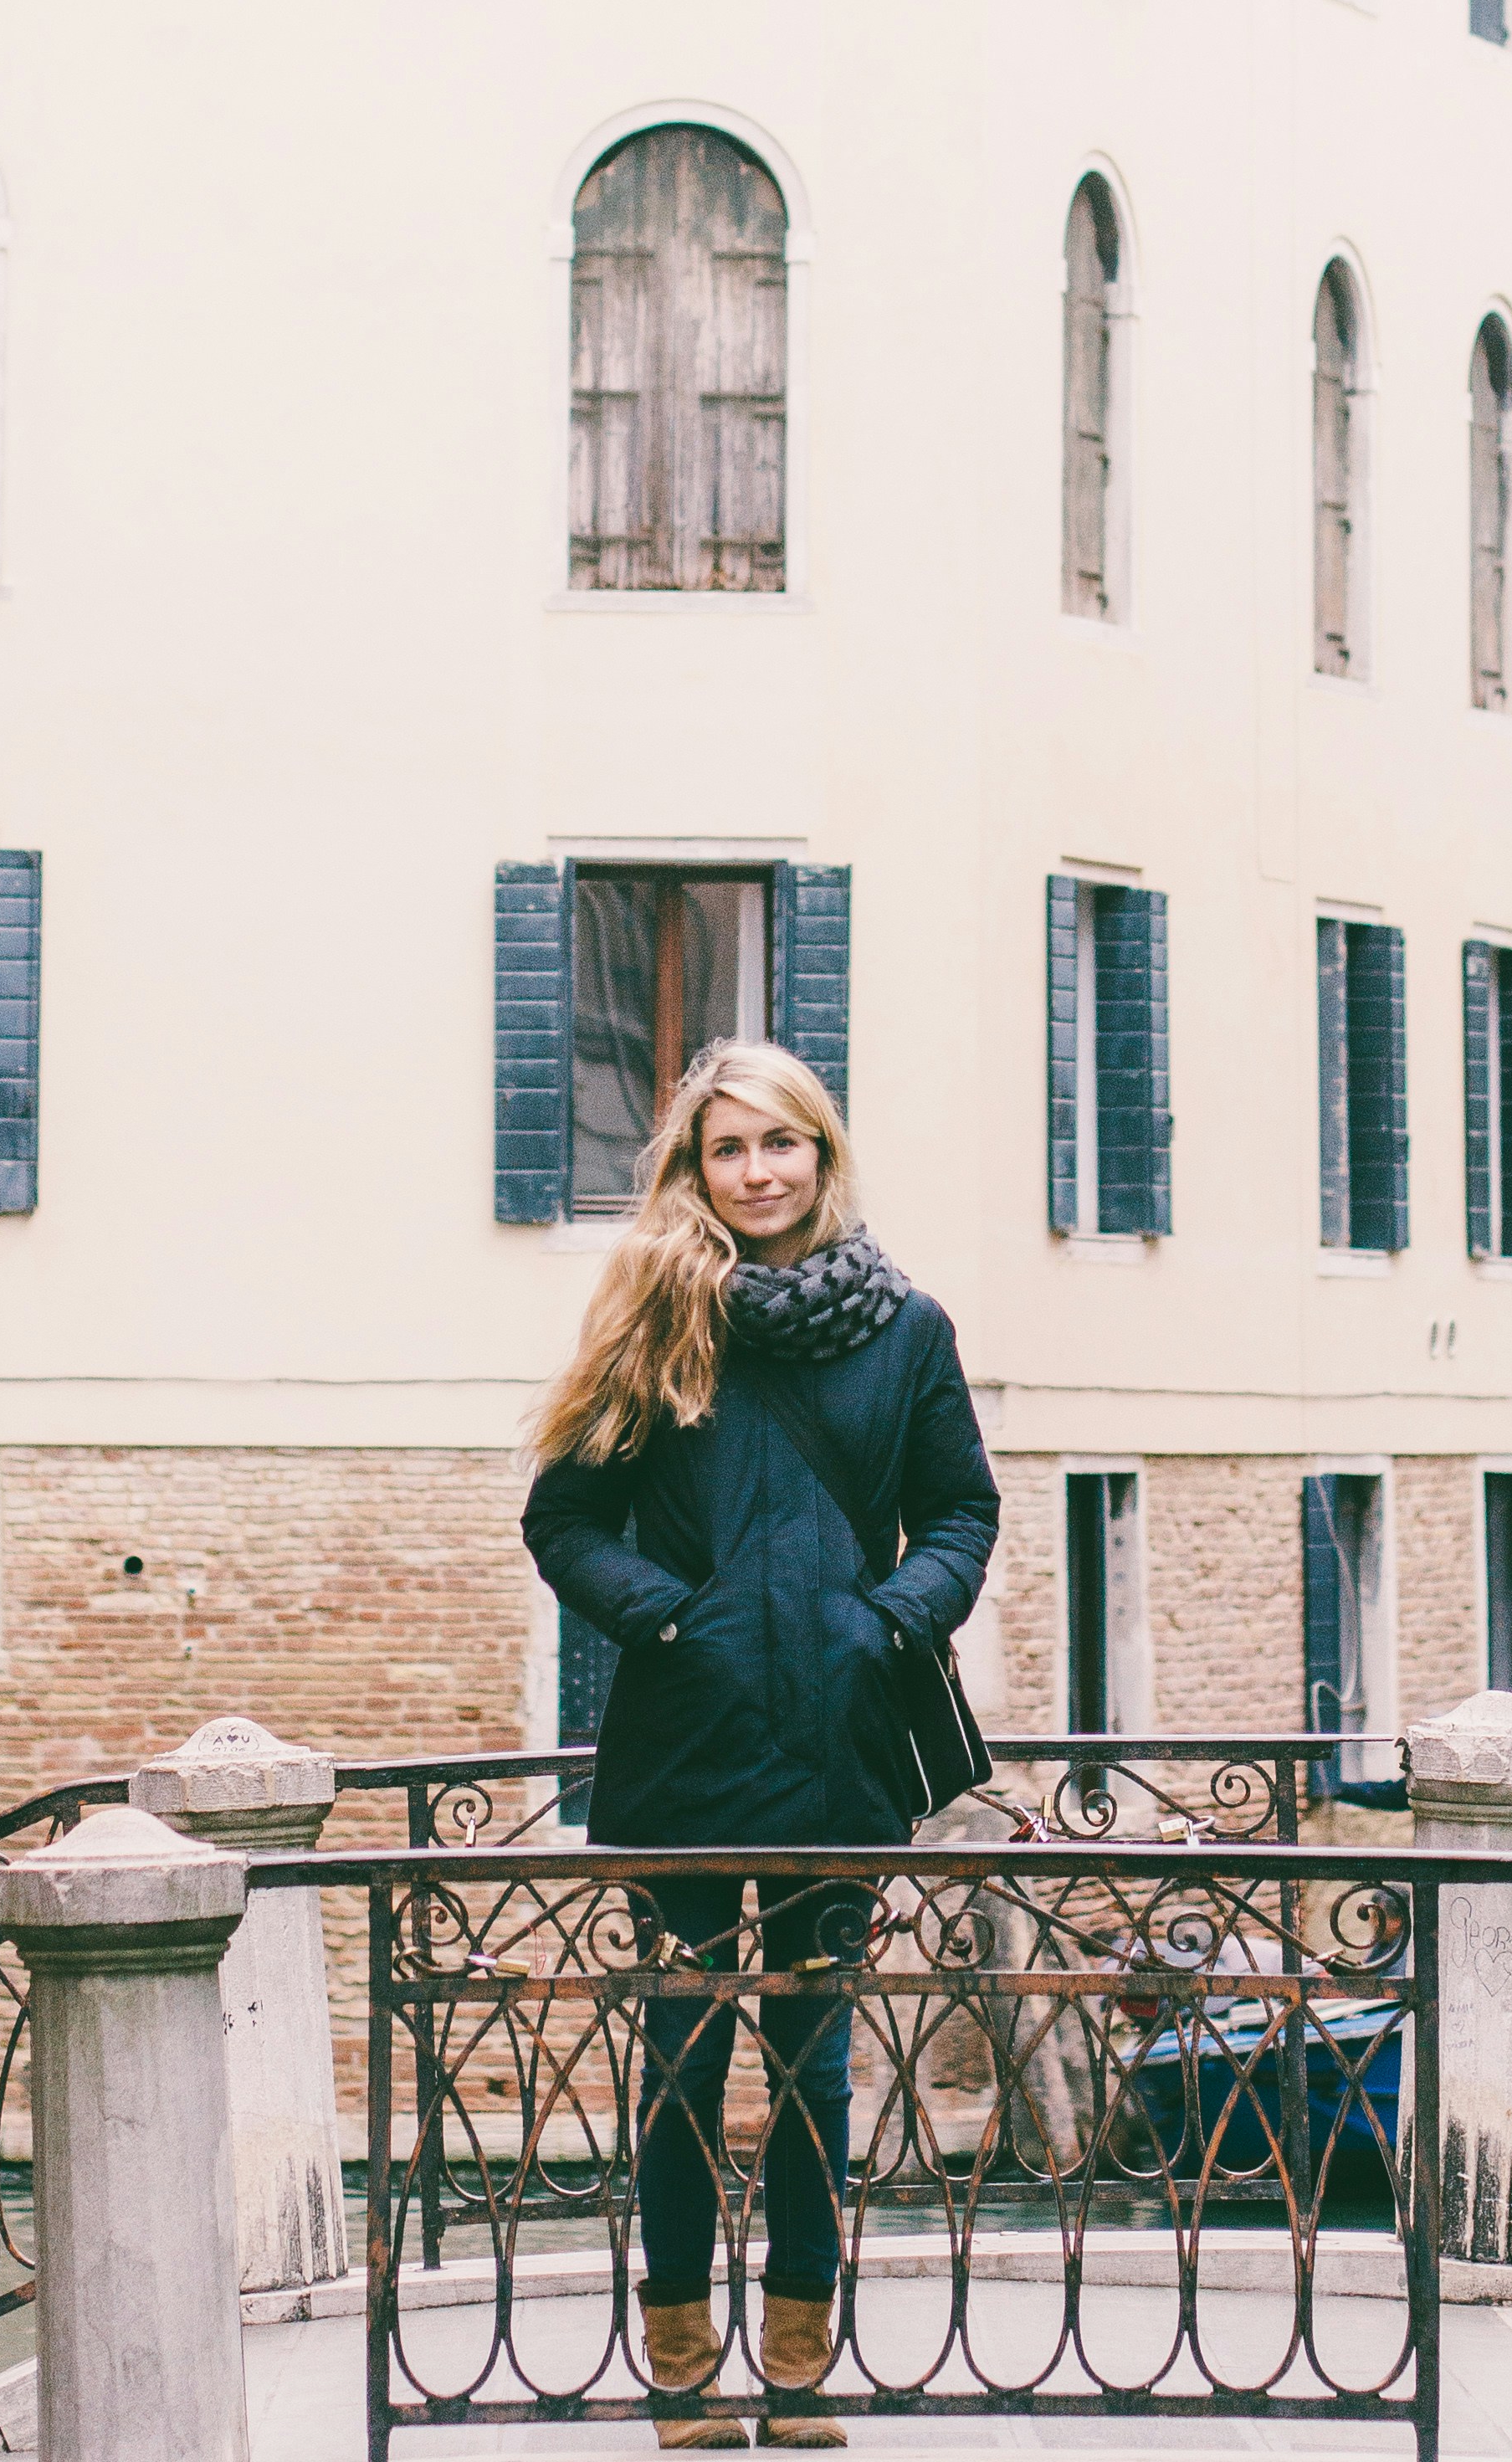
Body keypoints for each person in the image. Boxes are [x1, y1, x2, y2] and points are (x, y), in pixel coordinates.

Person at [523, 1041, 1000, 2452]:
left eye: (780, 1144)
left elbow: (960, 1512)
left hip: (842, 1745)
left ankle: (798, 2368)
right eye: (727, 1149)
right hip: (685, 1744)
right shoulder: (657, 1309)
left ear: (821, 1155)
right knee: (681, 2063)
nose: (757, 1172)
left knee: (814, 2066)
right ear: (697, 1167)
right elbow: (566, 1522)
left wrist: (889, 1622)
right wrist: (671, 1620)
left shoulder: (908, 1330)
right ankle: (681, 2368)